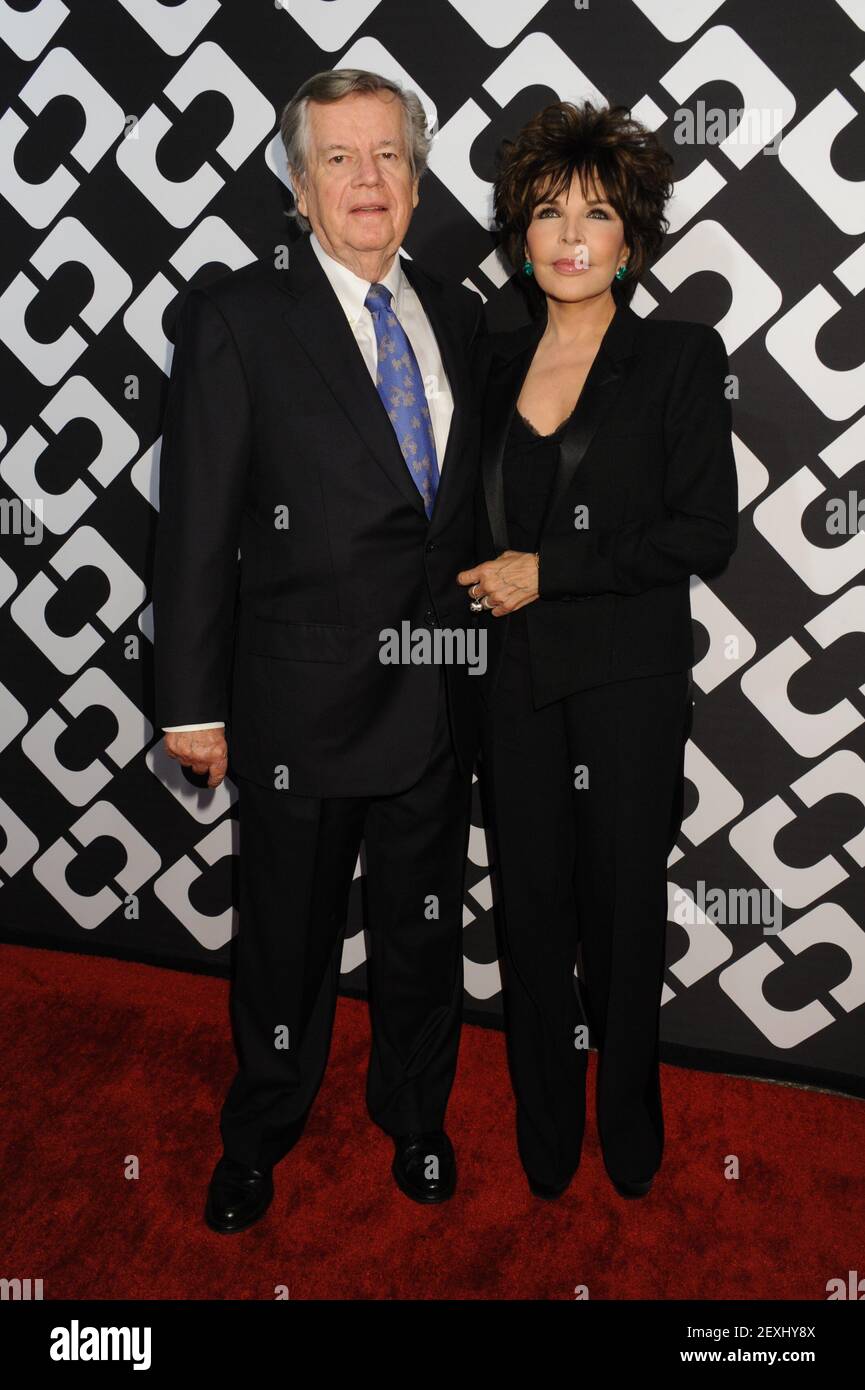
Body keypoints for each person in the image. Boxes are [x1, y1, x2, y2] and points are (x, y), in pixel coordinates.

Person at [152, 69, 486, 1233]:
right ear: (299, 181)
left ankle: (417, 1113)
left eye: (388, 155)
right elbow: (194, 520)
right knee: (284, 942)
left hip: (437, 700)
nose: (366, 180)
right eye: (339, 158)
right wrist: (189, 700)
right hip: (295, 704)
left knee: (421, 929)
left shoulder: (459, 309)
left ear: (418, 172)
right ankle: (262, 1130)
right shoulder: (241, 314)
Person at [458, 99, 738, 1201]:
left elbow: (702, 533)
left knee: (623, 917)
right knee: (528, 913)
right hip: (511, 687)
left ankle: (626, 1119)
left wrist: (550, 570)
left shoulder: (676, 356)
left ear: (632, 236)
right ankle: (543, 1123)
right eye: (547, 212)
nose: (570, 234)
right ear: (519, 233)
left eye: (597, 213)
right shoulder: (486, 359)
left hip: (625, 683)